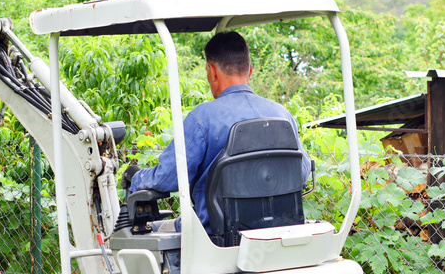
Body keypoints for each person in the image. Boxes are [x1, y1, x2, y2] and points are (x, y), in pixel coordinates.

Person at [120, 31, 312, 234]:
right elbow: (302, 172)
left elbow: (170, 177)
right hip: (279, 231)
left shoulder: (202, 118)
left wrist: (137, 177)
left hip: (215, 235)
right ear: (250, 71)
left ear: (212, 71)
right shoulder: (282, 115)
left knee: (146, 234)